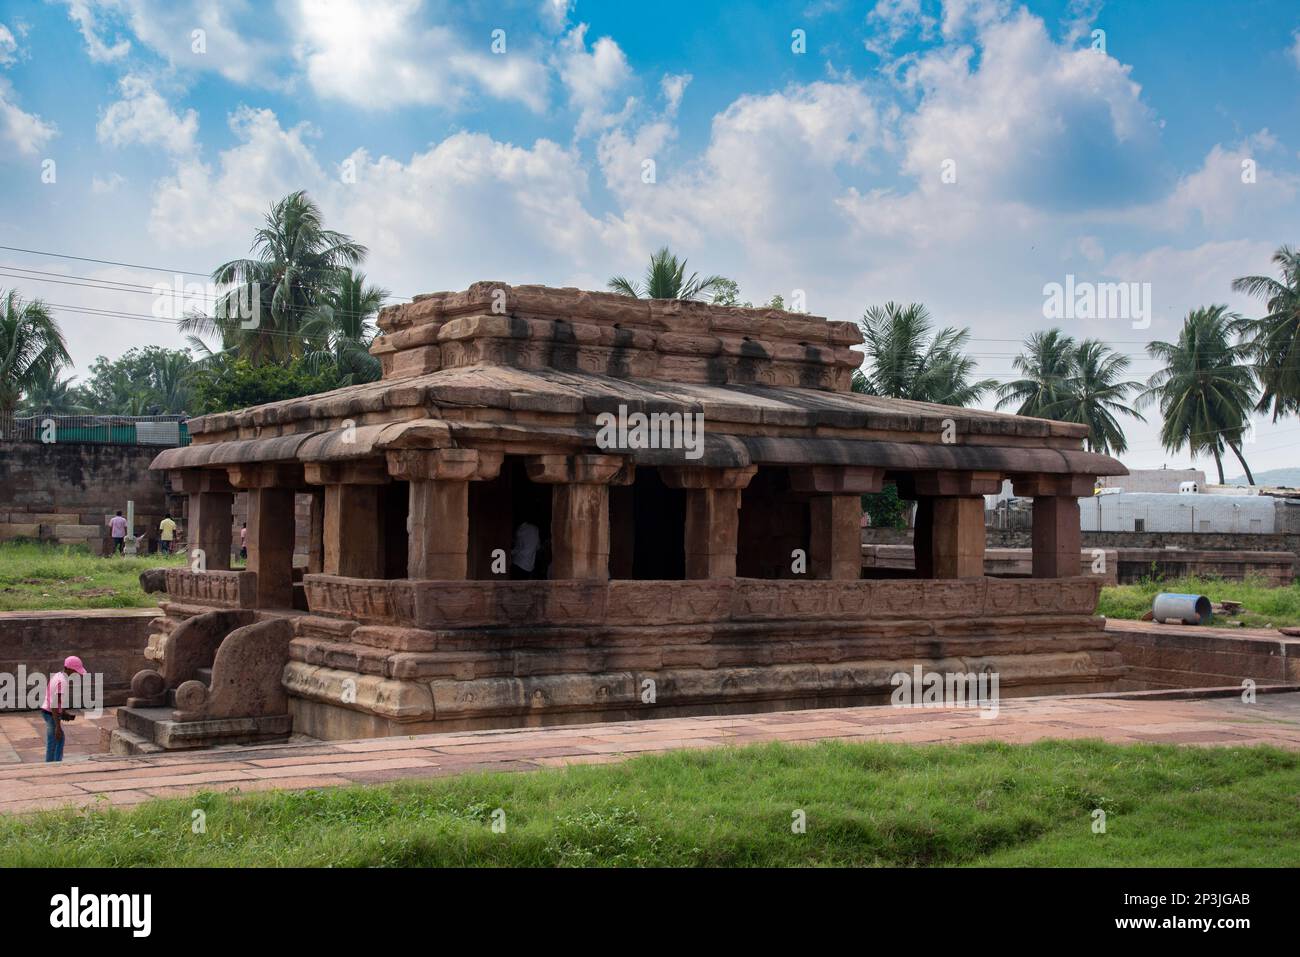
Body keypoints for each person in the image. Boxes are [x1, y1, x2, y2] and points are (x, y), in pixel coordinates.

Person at [41, 656, 87, 763]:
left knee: (58, 740)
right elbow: (54, 704)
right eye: (76, 671)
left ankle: (55, 763)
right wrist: (57, 726)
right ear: (70, 669)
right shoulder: (62, 682)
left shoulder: (58, 675)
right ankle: (52, 766)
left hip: (49, 711)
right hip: (50, 713)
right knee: (54, 740)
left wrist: (63, 713)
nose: (78, 674)